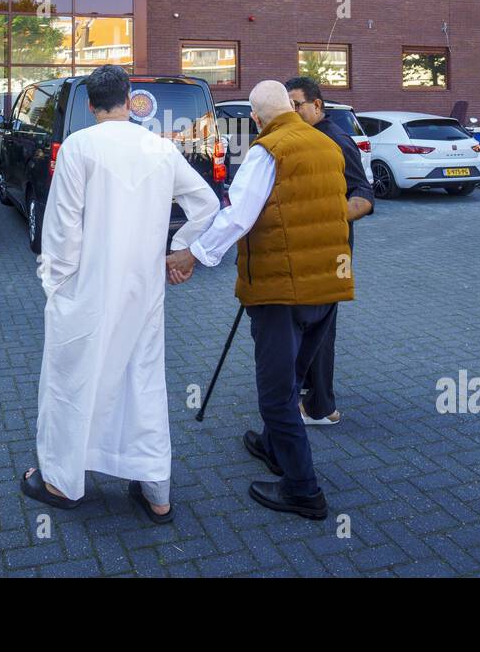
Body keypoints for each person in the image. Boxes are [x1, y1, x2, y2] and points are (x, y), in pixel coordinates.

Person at [20, 65, 219, 524]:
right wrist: (182, 249)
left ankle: (62, 482)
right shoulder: (161, 148)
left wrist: (56, 286)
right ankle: (156, 495)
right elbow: (207, 204)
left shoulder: (79, 147)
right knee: (142, 382)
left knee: (72, 383)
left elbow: (63, 228)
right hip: (143, 291)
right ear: (130, 99)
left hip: (87, 290)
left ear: (90, 105)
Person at [166, 80, 353, 520]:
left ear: (255, 117)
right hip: (326, 288)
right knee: (293, 375)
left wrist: (192, 254)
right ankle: (274, 448)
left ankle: (303, 490)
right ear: (290, 106)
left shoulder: (268, 150)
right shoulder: (326, 145)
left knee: (276, 394)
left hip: (281, 291)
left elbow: (239, 216)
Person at [283, 76, 373, 427]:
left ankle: (321, 406)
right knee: (307, 323)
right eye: (286, 105)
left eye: (297, 105)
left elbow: (363, 196)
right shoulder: (302, 138)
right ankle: (308, 395)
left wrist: (323, 218)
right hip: (309, 250)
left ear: (316, 106)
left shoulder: (336, 140)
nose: (291, 111)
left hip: (333, 252)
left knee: (321, 326)